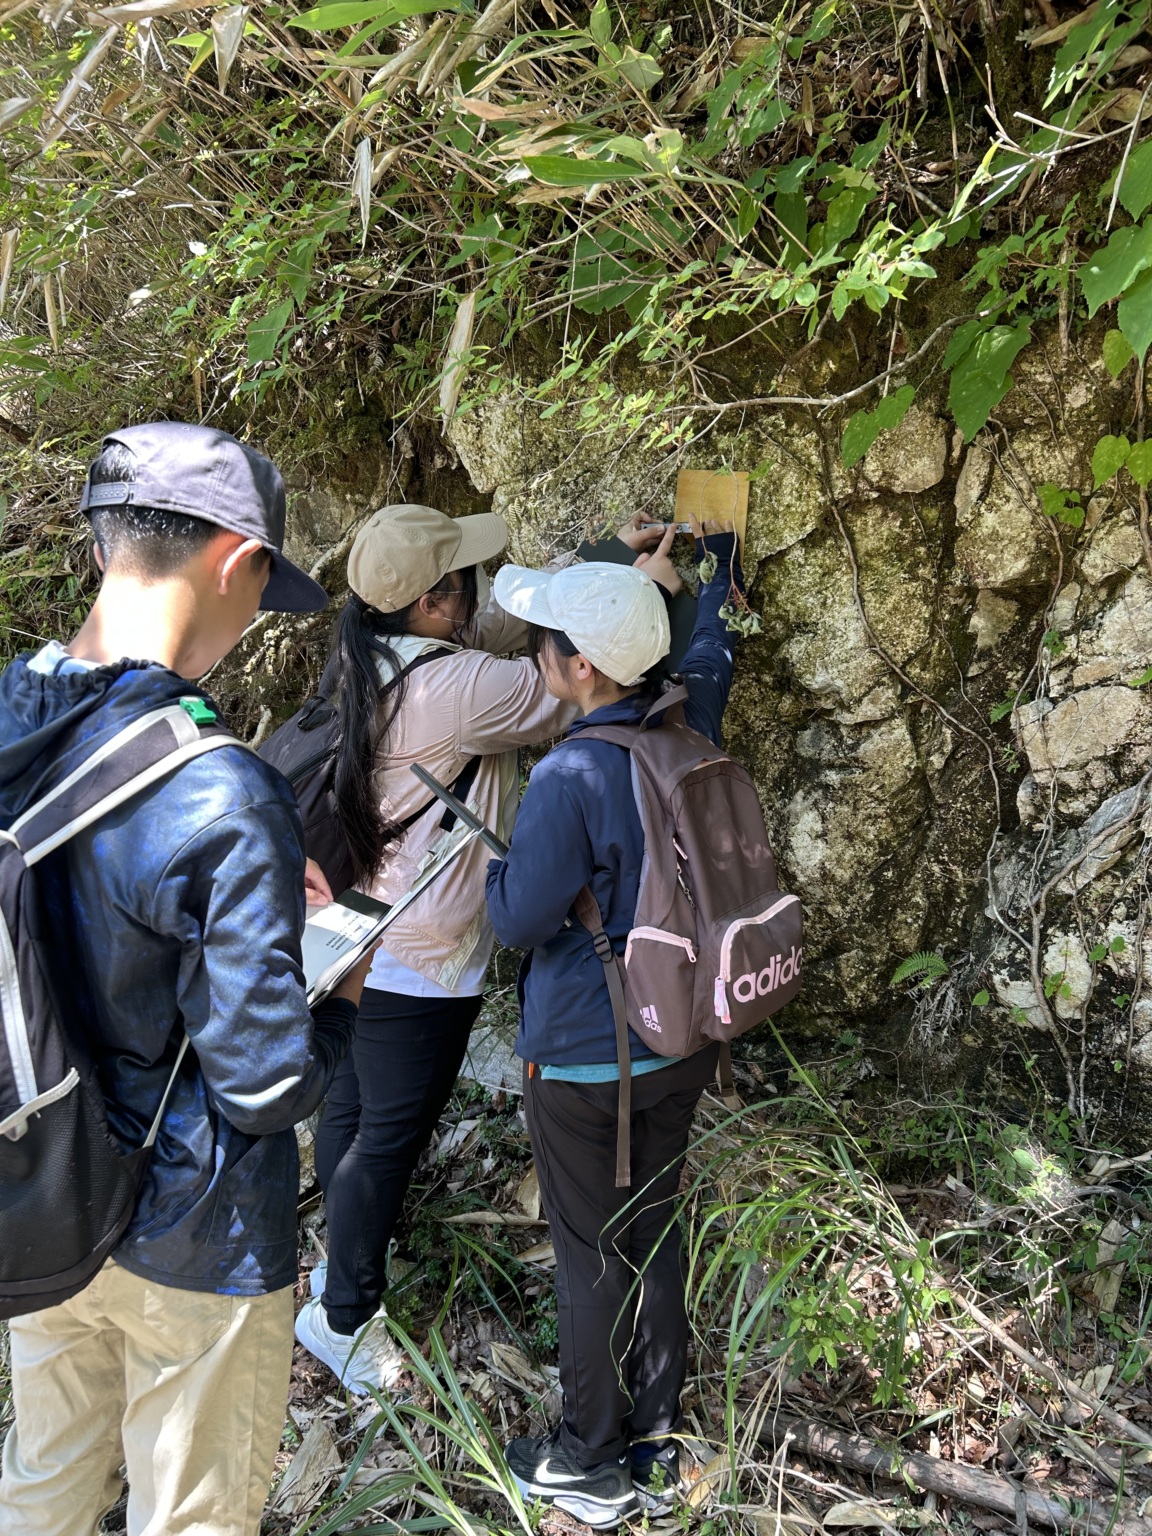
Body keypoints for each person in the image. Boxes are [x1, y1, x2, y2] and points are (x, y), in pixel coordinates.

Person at [0, 423, 372, 1536]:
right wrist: (336, 1002)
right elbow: (260, 1086)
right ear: (232, 560)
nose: (255, 618)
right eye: (263, 587)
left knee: (46, 1479)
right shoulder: (222, 790)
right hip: (193, 1234)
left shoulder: (13, 717)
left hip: (39, 1192)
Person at [293, 504, 671, 1393]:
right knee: (388, 1137)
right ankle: (344, 1317)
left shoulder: (364, 653)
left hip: (348, 930)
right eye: (459, 575)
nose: (473, 586)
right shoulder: (457, 688)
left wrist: (605, 554)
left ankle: (330, 1277)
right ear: (432, 601)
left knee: (351, 1115)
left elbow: (514, 630)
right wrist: (637, 597)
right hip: (423, 956)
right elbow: (575, 677)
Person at [485, 520, 744, 1529]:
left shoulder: (566, 780)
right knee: (658, 1225)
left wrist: (502, 865)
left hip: (591, 1057)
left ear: (579, 667)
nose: (535, 650)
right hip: (683, 1038)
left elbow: (517, 920)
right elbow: (710, 649)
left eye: (546, 638)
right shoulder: (690, 726)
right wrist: (703, 574)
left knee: (590, 1250)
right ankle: (656, 1437)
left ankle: (588, 1463)